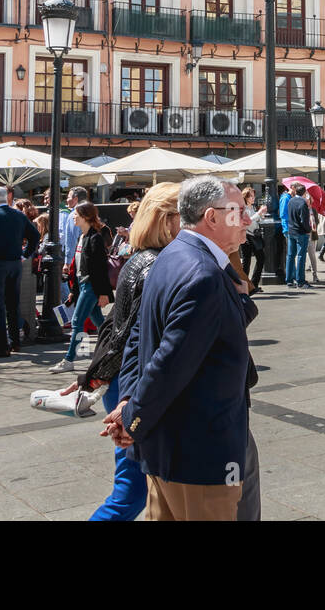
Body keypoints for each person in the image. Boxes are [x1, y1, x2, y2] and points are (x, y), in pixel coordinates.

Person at [102, 177, 253, 521]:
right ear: (212, 217)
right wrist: (132, 418)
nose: (248, 219)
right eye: (240, 212)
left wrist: (128, 403)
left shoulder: (171, 255)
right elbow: (168, 363)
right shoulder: (203, 274)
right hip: (199, 454)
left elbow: (137, 340)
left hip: (166, 448)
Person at [54, 183, 182, 521]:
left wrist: (92, 376)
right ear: (167, 221)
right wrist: (97, 379)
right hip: (135, 387)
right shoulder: (157, 266)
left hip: (126, 384)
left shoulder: (140, 259)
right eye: (189, 216)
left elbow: (114, 327)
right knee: (131, 494)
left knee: (144, 489)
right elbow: (127, 333)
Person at [0, 185, 41, 359]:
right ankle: (15, 341)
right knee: (13, 304)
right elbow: (34, 235)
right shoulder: (18, 215)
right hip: (15, 264)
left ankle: (2, 346)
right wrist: (25, 254)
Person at [52, 201, 109, 371]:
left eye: (76, 214)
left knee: (77, 321)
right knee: (99, 322)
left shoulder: (94, 238)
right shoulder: (83, 237)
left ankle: (69, 360)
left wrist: (104, 293)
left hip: (90, 286)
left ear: (85, 216)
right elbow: (78, 268)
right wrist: (74, 292)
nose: (73, 217)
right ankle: (114, 349)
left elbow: (100, 269)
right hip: (85, 285)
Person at [284, 183, 312, 288]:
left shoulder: (291, 201)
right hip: (301, 232)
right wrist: (308, 230)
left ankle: (289, 280)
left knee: (290, 256)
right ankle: (300, 280)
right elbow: (304, 220)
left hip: (292, 231)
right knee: (301, 256)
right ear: (304, 192)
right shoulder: (302, 203)